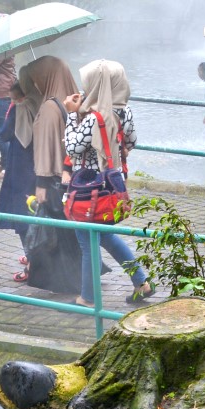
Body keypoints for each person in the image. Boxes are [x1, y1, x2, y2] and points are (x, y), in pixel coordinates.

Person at [64, 59, 153, 306]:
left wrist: (72, 115)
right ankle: (141, 282)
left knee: (87, 240)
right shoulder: (124, 111)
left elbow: (73, 147)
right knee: (106, 235)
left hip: (89, 186)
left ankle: (88, 297)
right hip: (112, 183)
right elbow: (131, 141)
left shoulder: (93, 117)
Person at [15, 55, 83, 293]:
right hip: (73, 177)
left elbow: (45, 148)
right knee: (74, 234)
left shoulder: (49, 107)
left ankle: (65, 284)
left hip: (53, 179)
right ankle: (81, 280)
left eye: (36, 79)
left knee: (56, 235)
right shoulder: (75, 100)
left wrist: (40, 184)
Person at [0, 81, 33, 279]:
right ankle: (33, 257)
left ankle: (31, 262)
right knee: (34, 212)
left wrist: (11, 109)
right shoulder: (40, 105)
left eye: (13, 98)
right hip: (36, 168)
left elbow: (4, 133)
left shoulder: (19, 109)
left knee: (21, 214)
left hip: (19, 167)